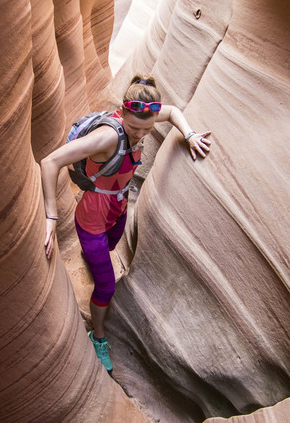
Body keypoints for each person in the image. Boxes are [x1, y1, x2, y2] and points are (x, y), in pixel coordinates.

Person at [40, 74, 212, 372]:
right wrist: (50, 217)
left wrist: (190, 135)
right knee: (105, 286)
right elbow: (49, 162)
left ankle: (93, 259)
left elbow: (171, 113)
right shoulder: (107, 137)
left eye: (147, 129)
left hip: (117, 209)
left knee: (110, 247)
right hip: (92, 216)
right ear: (122, 112)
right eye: (134, 127)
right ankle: (99, 335)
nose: (140, 134)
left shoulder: (146, 119)